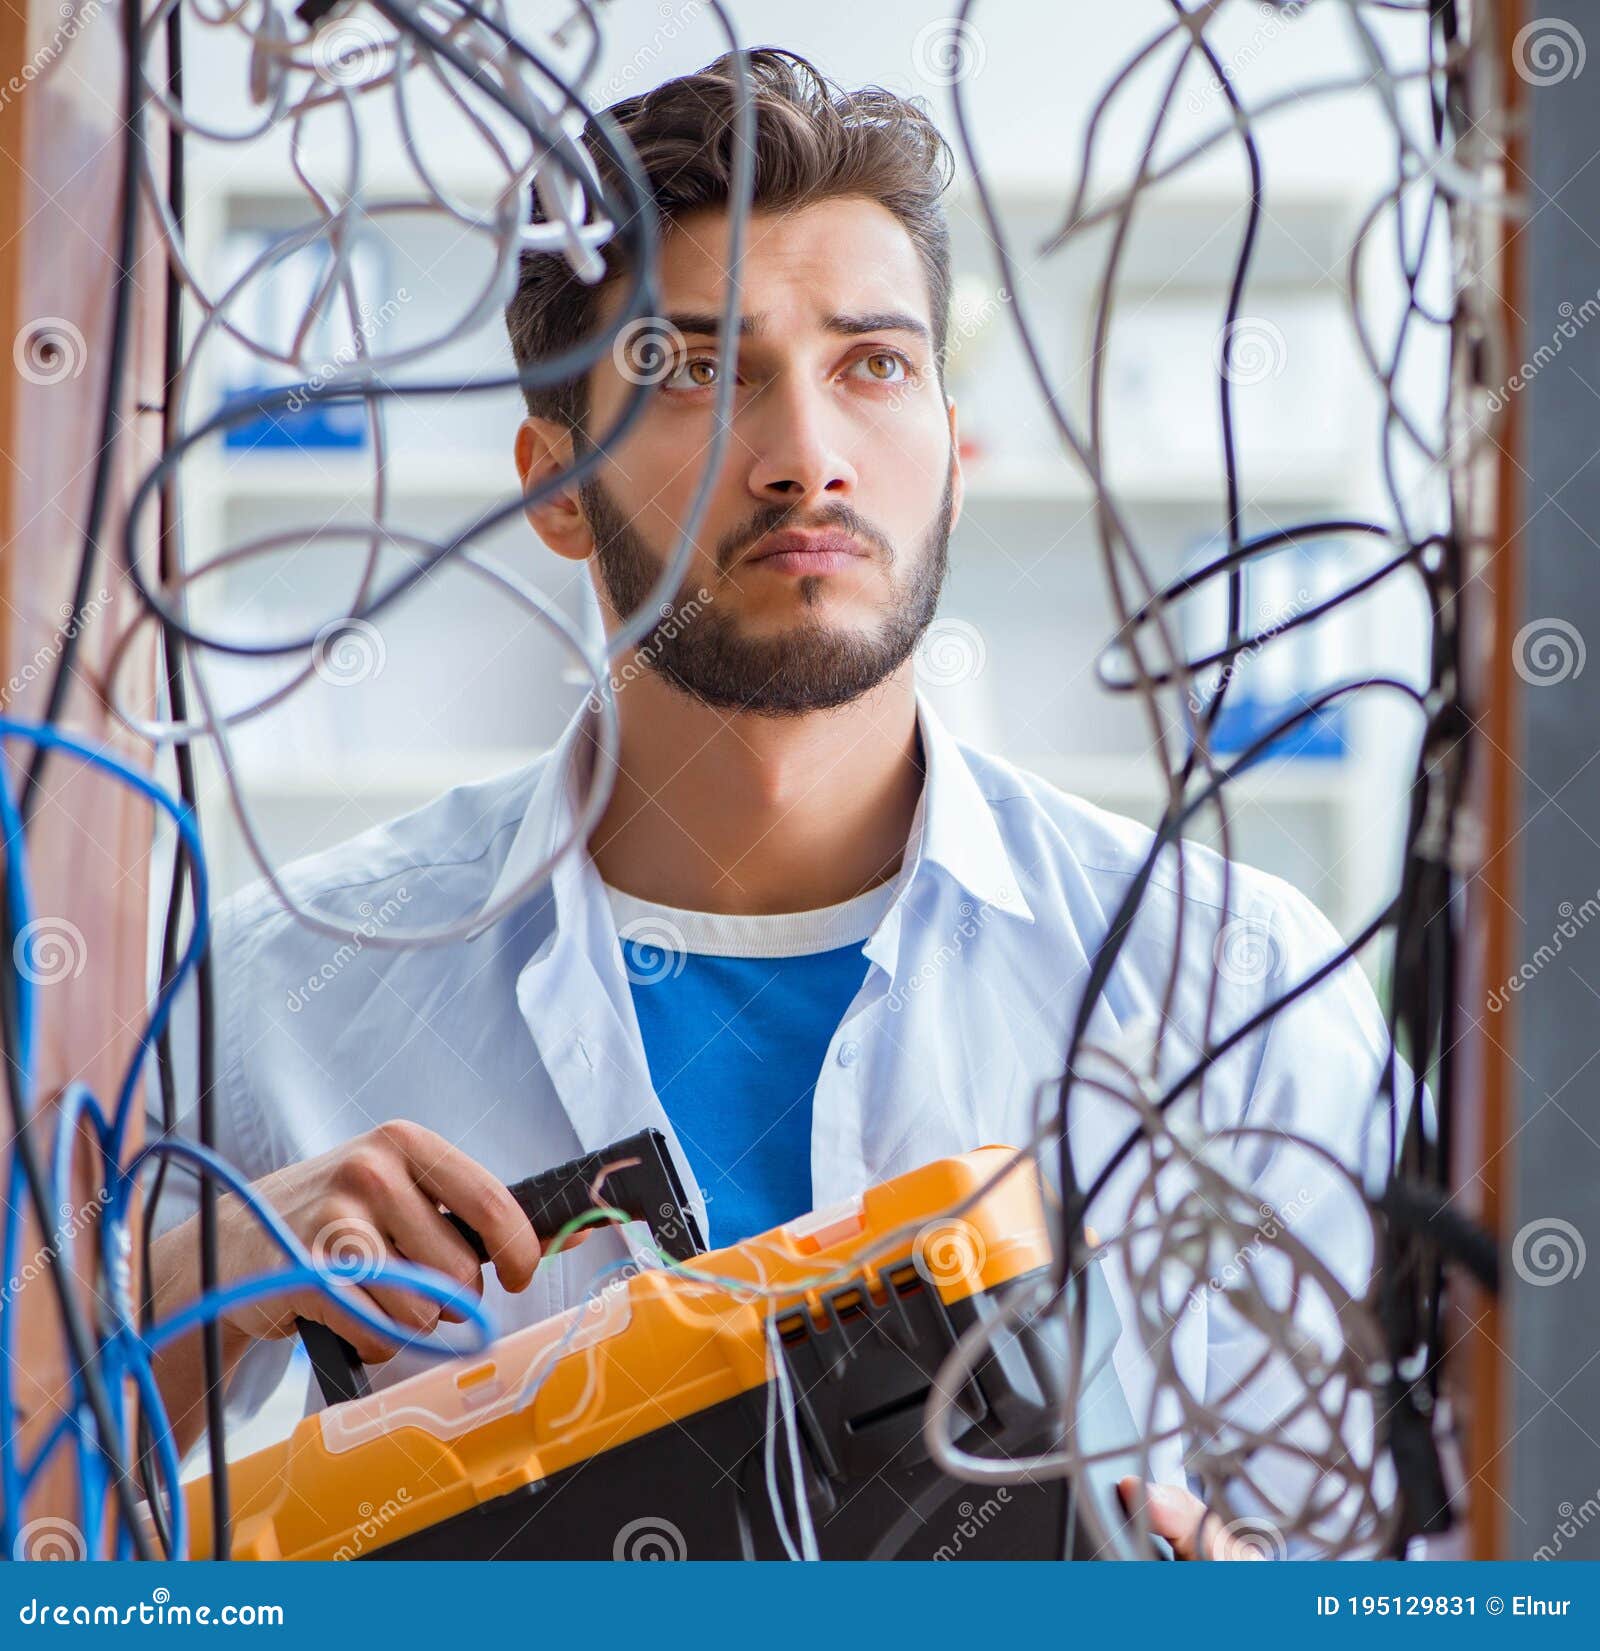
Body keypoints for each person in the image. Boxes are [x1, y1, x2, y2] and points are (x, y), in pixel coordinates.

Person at [149, 48, 1394, 1559]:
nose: (808, 457)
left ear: (951, 443)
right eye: (697, 372)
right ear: (552, 480)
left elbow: (1401, 1557)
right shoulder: (284, 996)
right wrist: (189, 1277)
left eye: (873, 364)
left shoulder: (1239, 995)